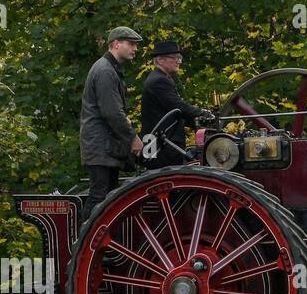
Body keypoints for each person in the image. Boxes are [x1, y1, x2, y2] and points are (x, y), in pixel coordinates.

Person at [79, 26, 143, 221]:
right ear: (116, 44)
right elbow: (113, 112)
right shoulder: (105, 71)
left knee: (108, 198)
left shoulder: (108, 69)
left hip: (103, 146)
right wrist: (132, 138)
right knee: (100, 196)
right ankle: (83, 245)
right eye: (131, 44)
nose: (135, 49)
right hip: (101, 147)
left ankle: (97, 247)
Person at [140, 39, 214, 168]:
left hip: (157, 143)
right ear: (160, 60)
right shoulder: (158, 81)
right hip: (162, 146)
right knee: (164, 181)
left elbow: (174, 112)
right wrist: (202, 113)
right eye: (174, 57)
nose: (178, 61)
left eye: (179, 58)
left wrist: (196, 120)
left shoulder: (160, 78)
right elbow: (178, 107)